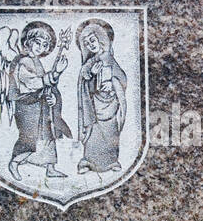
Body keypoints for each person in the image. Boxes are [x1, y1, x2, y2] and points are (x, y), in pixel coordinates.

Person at [9, 21, 70, 180]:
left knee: (47, 135)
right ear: (28, 41)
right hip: (26, 106)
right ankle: (14, 163)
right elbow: (32, 83)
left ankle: (50, 168)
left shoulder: (36, 61)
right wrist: (54, 73)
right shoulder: (22, 60)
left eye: (44, 45)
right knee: (30, 137)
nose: (40, 47)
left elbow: (45, 84)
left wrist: (50, 95)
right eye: (37, 42)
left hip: (39, 104)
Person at [75, 18, 127, 174]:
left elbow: (122, 78)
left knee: (110, 130)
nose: (91, 45)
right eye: (87, 44)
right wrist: (91, 74)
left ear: (101, 39)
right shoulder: (90, 62)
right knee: (93, 134)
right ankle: (88, 161)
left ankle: (111, 161)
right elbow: (83, 79)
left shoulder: (110, 59)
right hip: (93, 106)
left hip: (109, 105)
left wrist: (113, 84)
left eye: (92, 40)